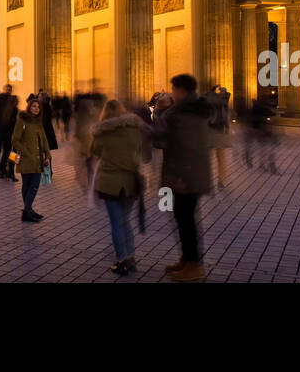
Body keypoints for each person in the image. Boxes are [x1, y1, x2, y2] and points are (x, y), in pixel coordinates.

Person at [153, 73, 212, 281]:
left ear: (182, 90)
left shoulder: (185, 113)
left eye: (174, 89)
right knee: (182, 218)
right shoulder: (189, 110)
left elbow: (182, 144)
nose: (172, 93)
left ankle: (194, 265)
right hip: (187, 174)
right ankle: (187, 259)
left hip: (186, 176)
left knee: (186, 220)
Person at [90, 99, 147, 274]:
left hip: (109, 182)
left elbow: (95, 152)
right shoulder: (134, 128)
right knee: (125, 221)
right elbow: (142, 151)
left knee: (116, 223)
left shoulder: (103, 131)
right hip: (130, 181)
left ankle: (121, 260)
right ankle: (131, 258)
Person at [11, 95, 51, 223]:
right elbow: (15, 140)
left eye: (38, 107)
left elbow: (44, 140)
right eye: (34, 106)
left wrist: (48, 155)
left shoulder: (38, 122)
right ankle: (28, 211)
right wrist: (26, 152)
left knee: (34, 185)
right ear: (29, 107)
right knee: (28, 185)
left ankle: (27, 210)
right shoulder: (22, 121)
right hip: (26, 159)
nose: (36, 109)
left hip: (37, 159)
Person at [242, 96, 278, 172]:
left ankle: (249, 158)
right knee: (262, 147)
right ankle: (261, 164)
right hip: (258, 130)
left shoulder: (253, 108)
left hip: (253, 129)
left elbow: (248, 118)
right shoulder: (262, 108)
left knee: (252, 146)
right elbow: (271, 114)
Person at [0, 85, 18, 181]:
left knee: (7, 151)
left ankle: (3, 168)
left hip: (9, 132)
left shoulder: (13, 102)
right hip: (1, 131)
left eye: (10, 89)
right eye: (7, 89)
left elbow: (15, 118)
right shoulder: (0, 99)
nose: (9, 91)